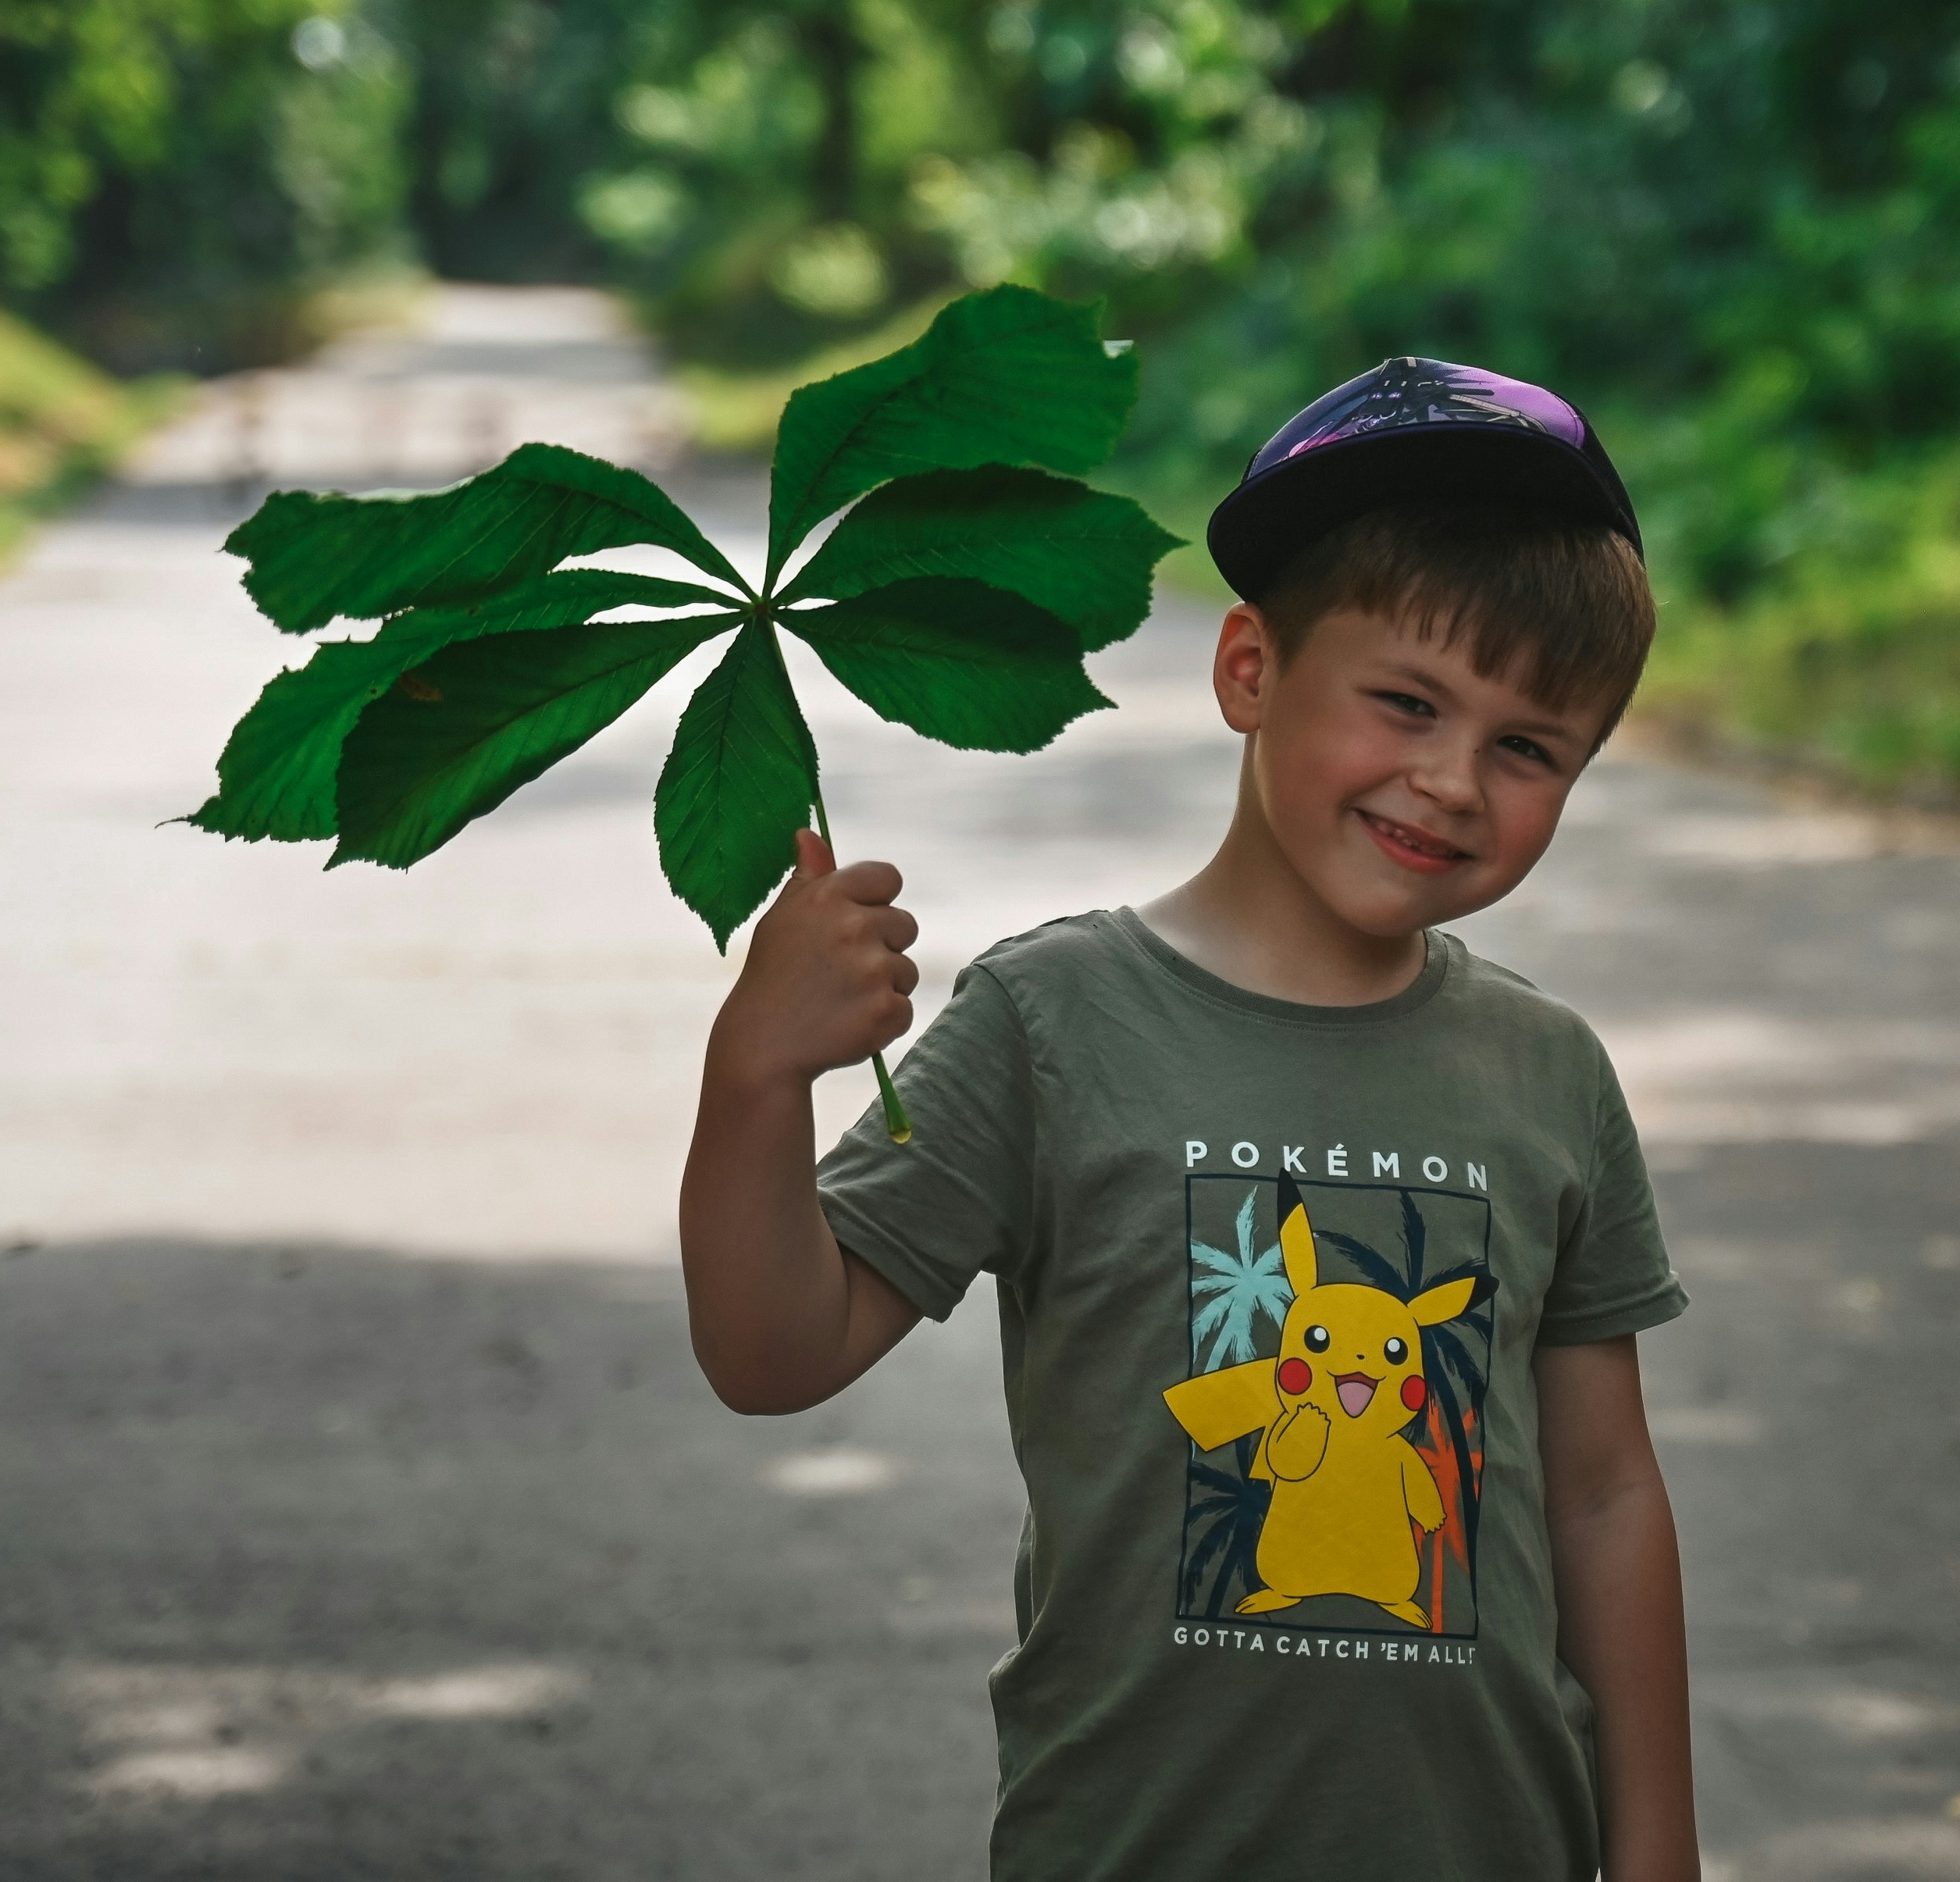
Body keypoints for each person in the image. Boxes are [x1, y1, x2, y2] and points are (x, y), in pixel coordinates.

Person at [680, 356, 1696, 1882]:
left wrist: (1658, 1847)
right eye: (1405, 700)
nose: (1449, 779)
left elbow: (1607, 1487)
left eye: (1526, 746)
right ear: (1248, 670)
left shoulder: (1547, 1072)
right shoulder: (1050, 1020)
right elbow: (773, 1350)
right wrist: (753, 1080)